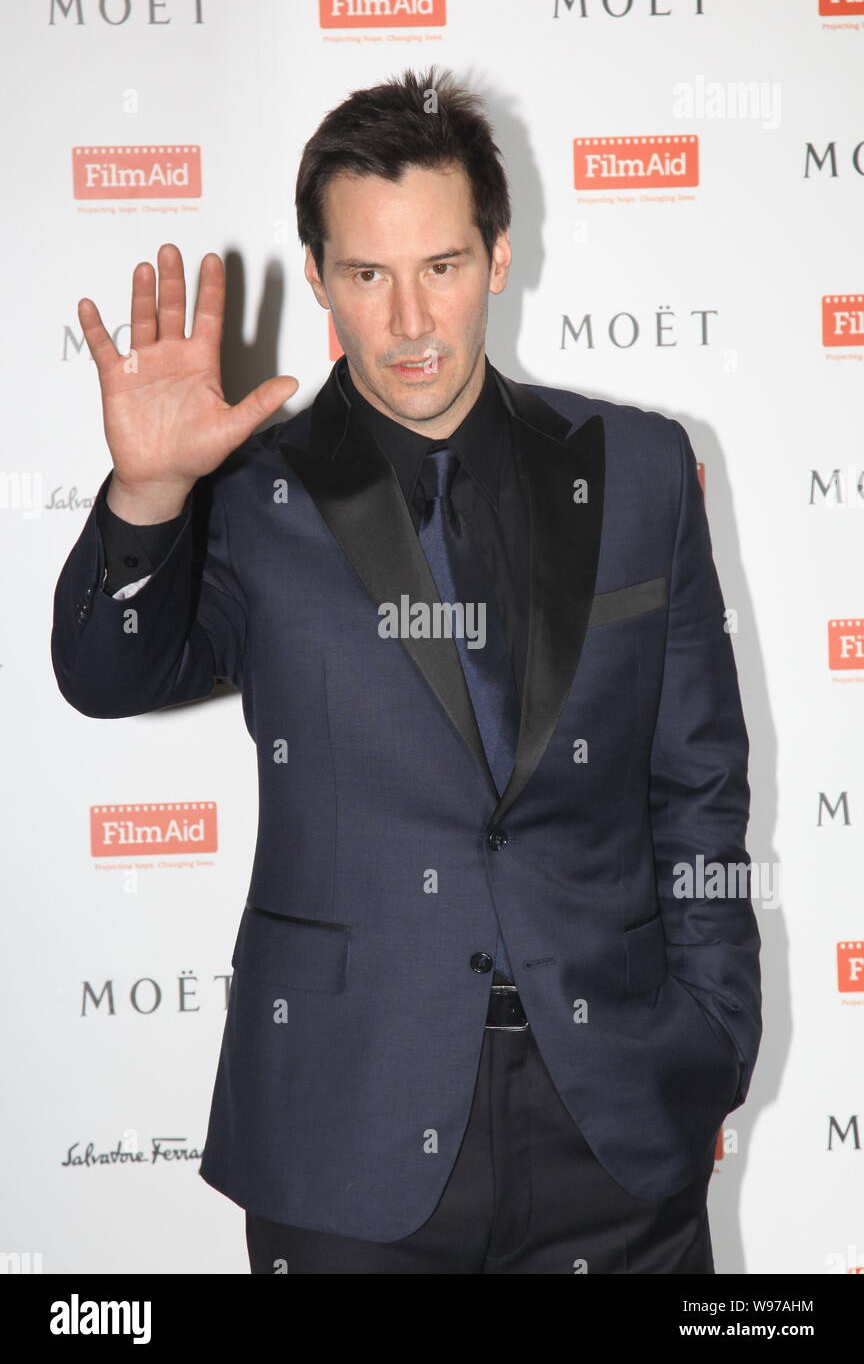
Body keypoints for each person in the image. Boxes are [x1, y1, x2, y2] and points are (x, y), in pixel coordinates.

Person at [51, 66, 762, 1274]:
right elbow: (109, 671)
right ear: (321, 278)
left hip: (613, 1120)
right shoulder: (253, 490)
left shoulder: (640, 470)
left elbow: (700, 788)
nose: (412, 322)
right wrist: (153, 493)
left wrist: (709, 1038)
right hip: (348, 1124)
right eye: (368, 276)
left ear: (498, 255)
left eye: (440, 267)